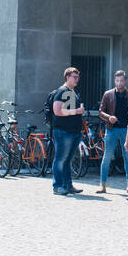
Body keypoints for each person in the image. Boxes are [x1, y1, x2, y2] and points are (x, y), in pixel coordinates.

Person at [48, 66, 85, 196]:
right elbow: (57, 111)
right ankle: (58, 186)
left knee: (67, 159)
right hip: (63, 131)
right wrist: (76, 111)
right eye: (74, 77)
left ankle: (68, 185)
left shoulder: (72, 92)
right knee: (60, 159)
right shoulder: (61, 91)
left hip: (74, 131)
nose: (77, 79)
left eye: (78, 77)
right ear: (67, 77)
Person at [98, 70, 128, 195]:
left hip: (126, 129)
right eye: (117, 81)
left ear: (125, 81)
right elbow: (100, 111)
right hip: (111, 129)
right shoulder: (108, 94)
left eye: (121, 81)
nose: (119, 83)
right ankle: (102, 184)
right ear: (114, 81)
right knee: (107, 156)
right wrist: (109, 117)